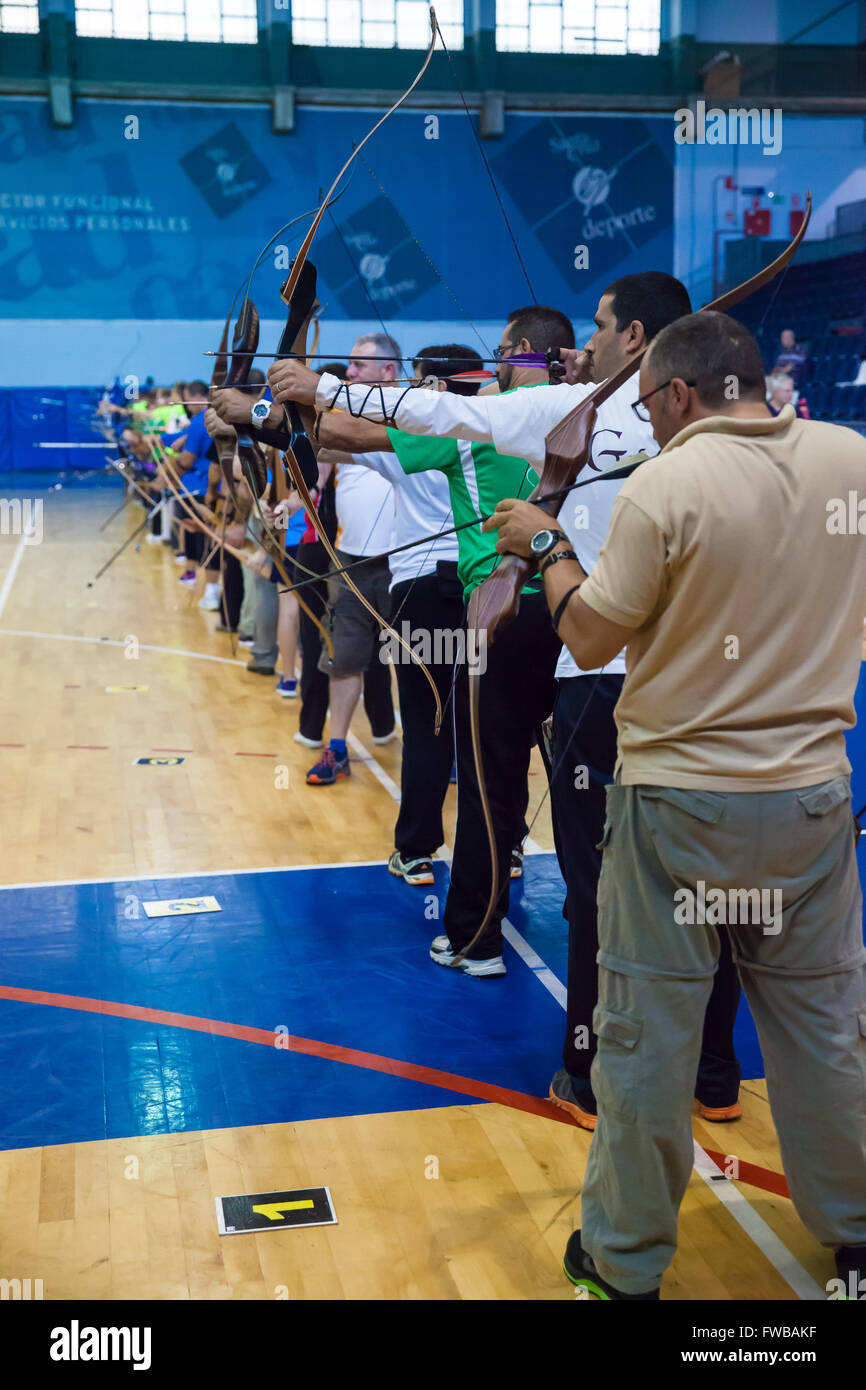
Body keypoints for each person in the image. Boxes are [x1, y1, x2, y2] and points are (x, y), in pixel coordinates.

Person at [487, 309, 866, 1300]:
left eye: (646, 401)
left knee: (644, 1035)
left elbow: (595, 636)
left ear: (678, 394)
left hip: (681, 807)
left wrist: (544, 545)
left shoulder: (667, 481)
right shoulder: (848, 459)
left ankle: (621, 1263)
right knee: (825, 1029)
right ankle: (857, 1237)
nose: (643, 423)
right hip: (811, 800)